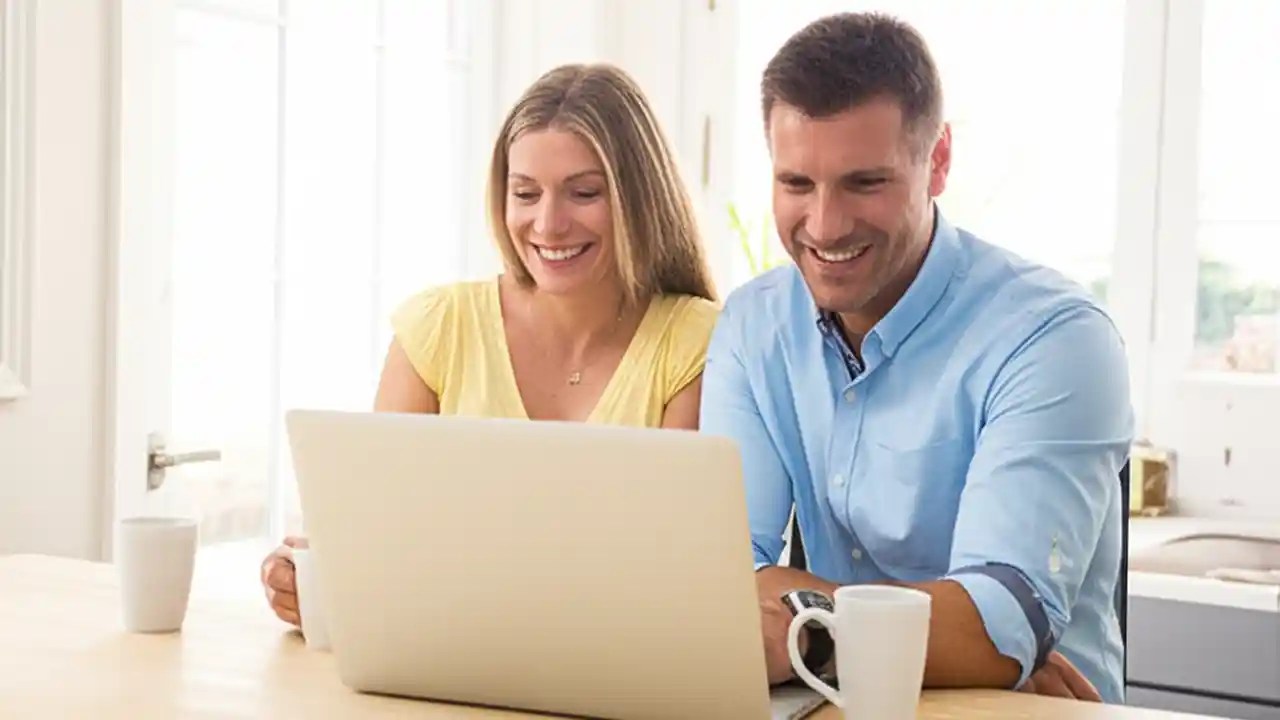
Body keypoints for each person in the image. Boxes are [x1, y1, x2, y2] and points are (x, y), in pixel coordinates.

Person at [699, 12, 1133, 704]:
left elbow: (998, 626)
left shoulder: (1054, 338)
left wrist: (804, 630)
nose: (825, 225)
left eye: (863, 183)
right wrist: (942, 638)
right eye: (797, 184)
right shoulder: (754, 325)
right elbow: (711, 580)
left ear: (938, 161)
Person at [261, 63, 720, 627]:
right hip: (448, 660)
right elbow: (379, 536)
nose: (548, 225)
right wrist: (322, 580)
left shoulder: (695, 342)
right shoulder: (439, 327)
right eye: (525, 193)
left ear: (638, 198)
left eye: (583, 193)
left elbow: (670, 570)